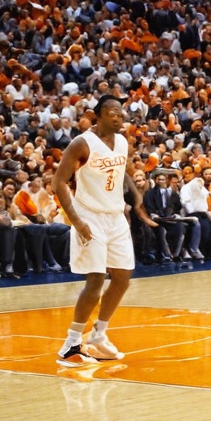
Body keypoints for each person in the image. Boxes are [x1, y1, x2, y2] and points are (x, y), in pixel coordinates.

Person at [50, 97, 135, 367]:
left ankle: (98, 335)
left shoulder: (122, 142)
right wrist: (76, 220)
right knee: (96, 279)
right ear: (95, 115)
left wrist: (132, 201)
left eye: (121, 112)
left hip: (115, 216)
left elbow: (120, 175)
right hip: (89, 216)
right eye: (112, 112)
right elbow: (59, 182)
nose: (118, 116)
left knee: (122, 277)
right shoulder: (82, 143)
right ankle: (71, 344)